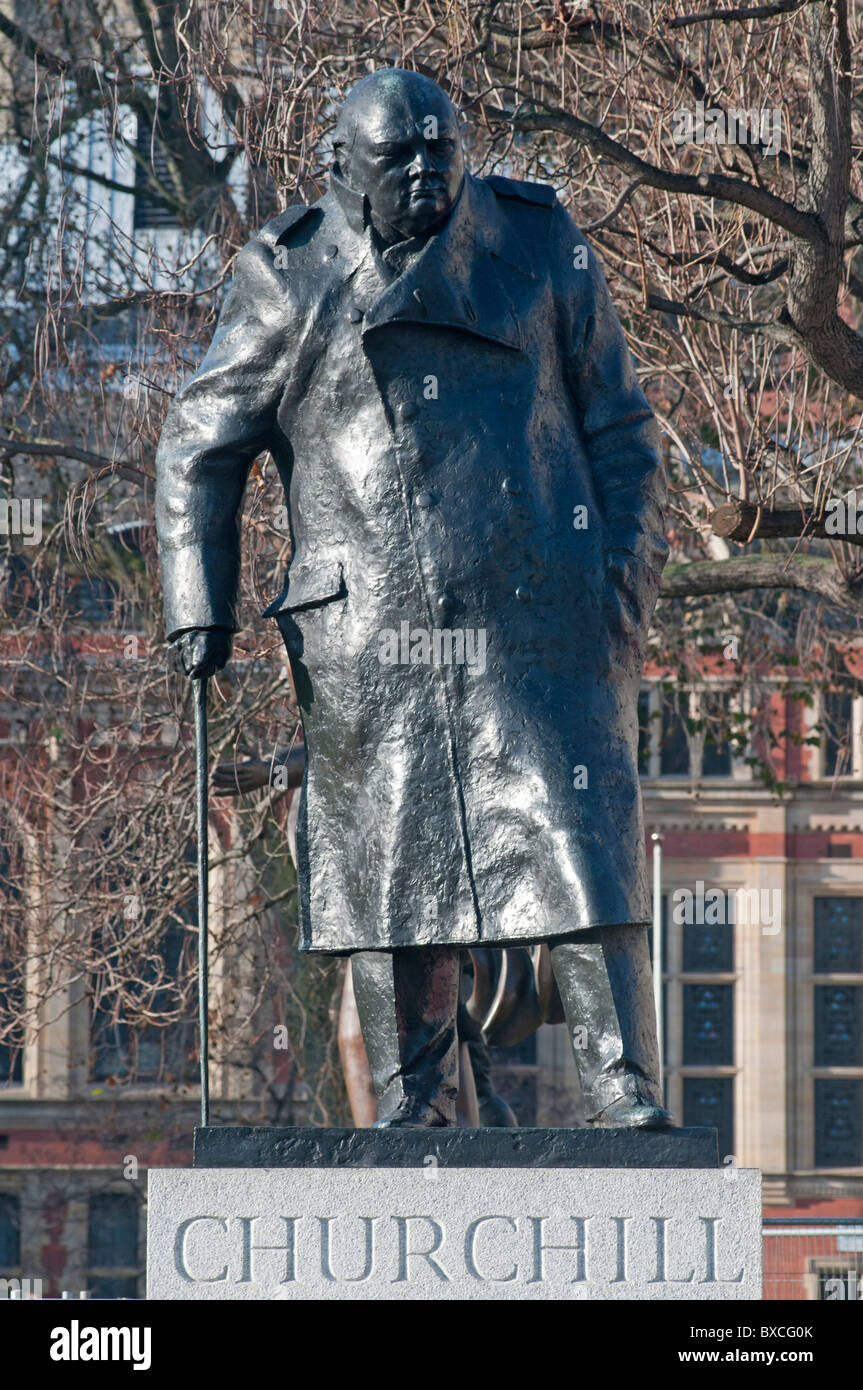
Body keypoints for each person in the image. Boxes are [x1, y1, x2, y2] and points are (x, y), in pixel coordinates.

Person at [156, 68, 671, 1130]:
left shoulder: (535, 243)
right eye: (398, 156)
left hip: (538, 613)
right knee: (393, 862)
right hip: (370, 629)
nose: (428, 168)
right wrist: (195, 600)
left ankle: (624, 1088)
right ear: (341, 166)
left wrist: (616, 574)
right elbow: (199, 443)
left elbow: (621, 431)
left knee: (578, 841)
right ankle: (411, 1101)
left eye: (443, 147)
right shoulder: (287, 276)